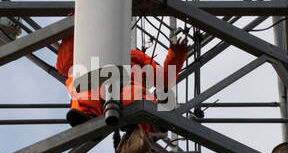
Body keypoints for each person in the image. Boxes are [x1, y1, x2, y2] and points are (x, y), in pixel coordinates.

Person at [55, 31, 190, 128]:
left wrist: (176, 55)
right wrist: (74, 29)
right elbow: (64, 67)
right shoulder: (88, 55)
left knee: (136, 94)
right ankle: (86, 115)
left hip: (125, 85)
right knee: (80, 82)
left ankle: (146, 122)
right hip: (96, 82)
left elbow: (163, 80)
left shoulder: (135, 56)